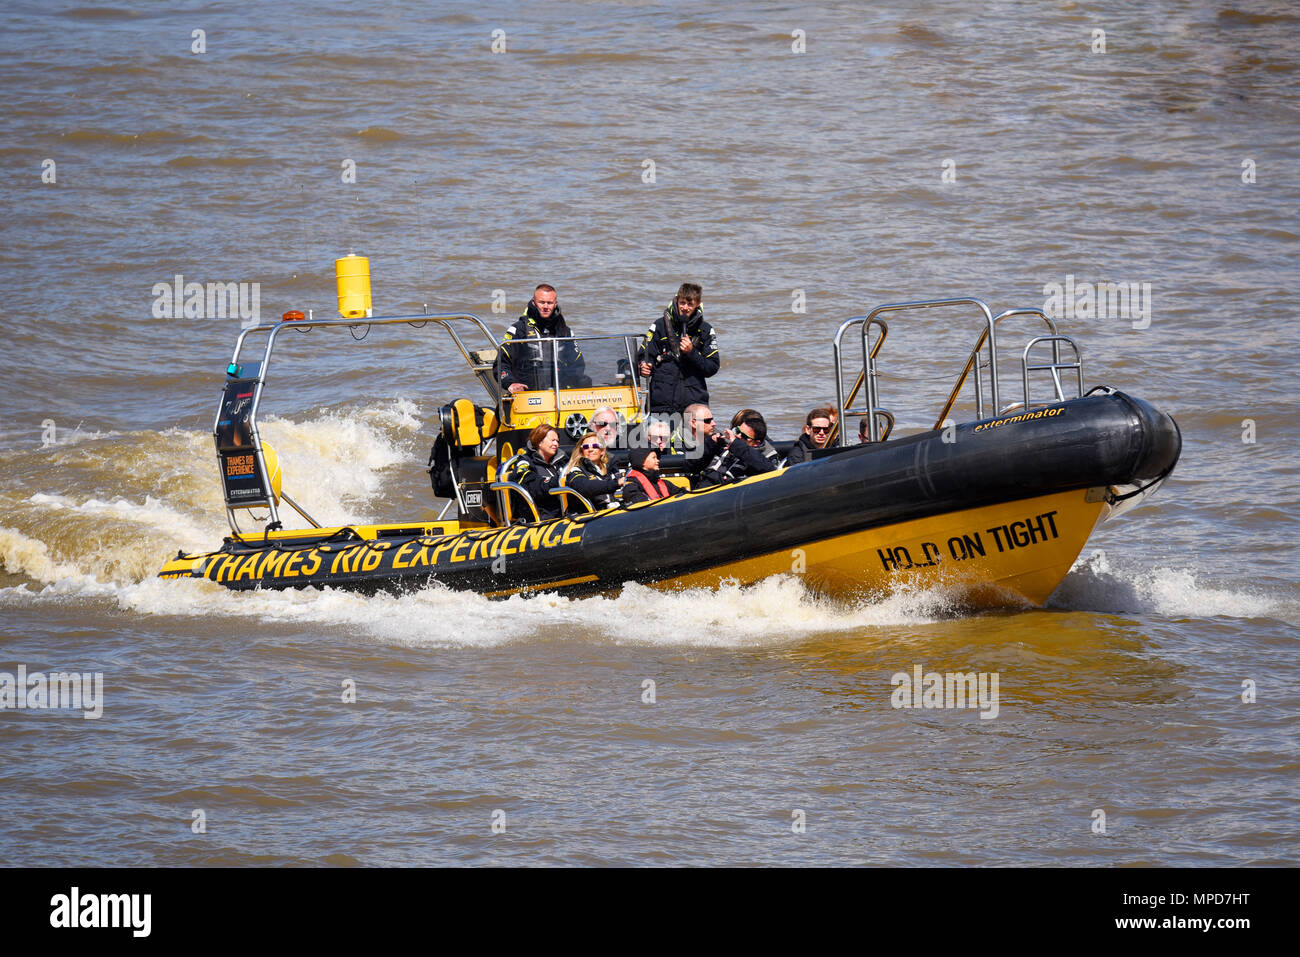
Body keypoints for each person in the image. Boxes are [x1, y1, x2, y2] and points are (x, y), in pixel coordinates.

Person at [636, 283, 719, 417]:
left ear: (698, 304)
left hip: (694, 405)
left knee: (695, 437)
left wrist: (692, 352)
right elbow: (644, 355)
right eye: (682, 303)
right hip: (661, 405)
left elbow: (712, 367)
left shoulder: (706, 330)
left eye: (690, 304)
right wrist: (643, 365)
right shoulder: (659, 325)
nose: (685, 308)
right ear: (676, 301)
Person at [498, 284, 587, 394]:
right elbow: (501, 364)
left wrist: (570, 384)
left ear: (555, 304)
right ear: (534, 303)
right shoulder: (518, 330)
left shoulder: (565, 331)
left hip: (560, 392)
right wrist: (510, 383)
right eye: (542, 302)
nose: (546, 306)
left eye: (549, 303)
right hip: (526, 392)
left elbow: (577, 364)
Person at [699, 412, 780, 487]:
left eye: (744, 436)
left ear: (756, 443)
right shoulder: (729, 441)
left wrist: (736, 445)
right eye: (737, 431)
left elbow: (771, 471)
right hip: (704, 482)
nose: (738, 436)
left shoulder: (768, 454)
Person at [508, 424, 566, 521]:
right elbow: (531, 486)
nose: (556, 444)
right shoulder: (525, 463)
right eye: (552, 440)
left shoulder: (561, 463)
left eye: (557, 441)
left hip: (564, 514)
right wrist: (557, 481)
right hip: (542, 518)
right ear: (539, 441)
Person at [561, 431, 624, 511]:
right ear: (581, 451)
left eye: (595, 446)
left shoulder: (611, 468)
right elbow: (585, 487)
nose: (590, 449)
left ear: (602, 450)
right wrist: (616, 483)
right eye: (586, 447)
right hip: (590, 517)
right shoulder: (575, 470)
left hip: (615, 512)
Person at [677, 403, 726, 487]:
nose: (714, 423)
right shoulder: (677, 444)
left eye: (713, 420)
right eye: (708, 421)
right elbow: (689, 466)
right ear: (693, 423)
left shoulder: (714, 440)